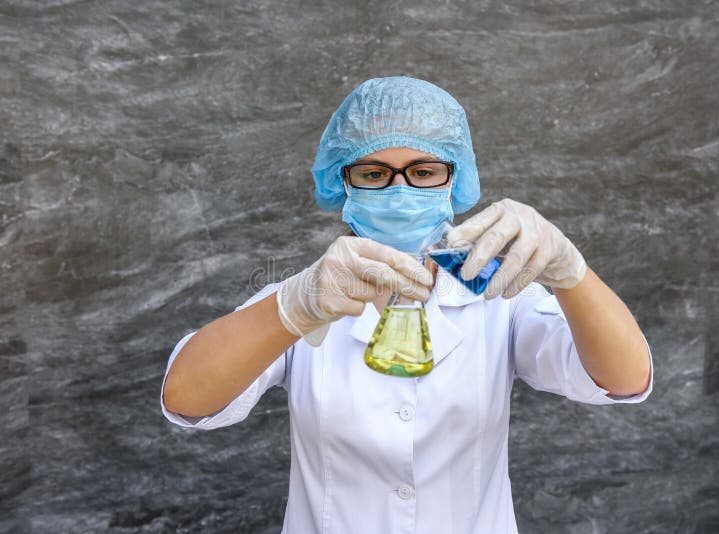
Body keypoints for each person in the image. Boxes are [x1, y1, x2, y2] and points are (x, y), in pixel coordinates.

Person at [160, 76, 653, 534]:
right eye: (374, 173)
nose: (400, 190)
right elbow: (186, 400)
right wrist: (288, 310)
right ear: (344, 182)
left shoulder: (499, 291)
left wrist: (571, 273)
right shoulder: (306, 296)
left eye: (423, 171)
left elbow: (625, 380)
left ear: (453, 181)